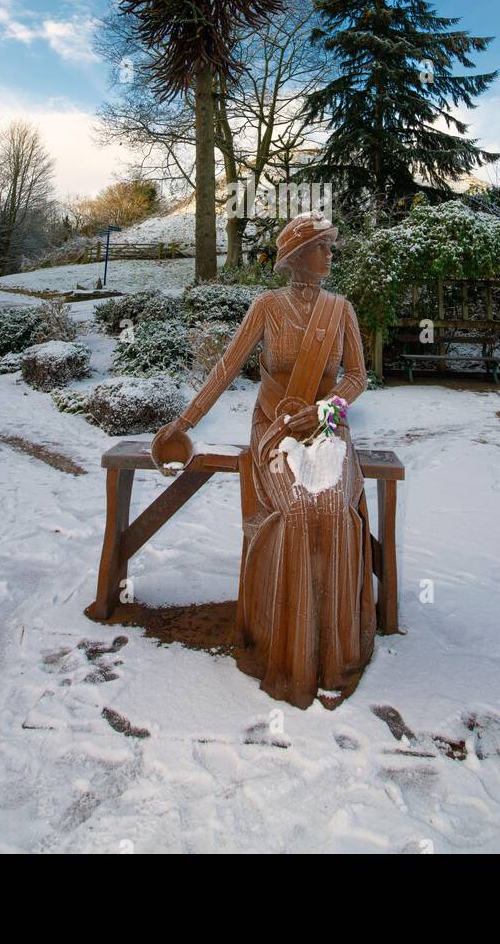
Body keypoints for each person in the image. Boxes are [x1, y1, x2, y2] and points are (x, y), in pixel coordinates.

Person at [152, 211, 376, 709]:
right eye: (321, 247)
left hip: (327, 430)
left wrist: (325, 409)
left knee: (335, 511)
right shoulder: (266, 307)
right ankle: (285, 649)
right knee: (296, 511)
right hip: (274, 433)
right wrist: (184, 423)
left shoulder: (342, 310)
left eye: (329, 247)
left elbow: (358, 378)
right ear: (296, 257)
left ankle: (332, 656)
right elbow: (227, 365)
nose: (329, 255)